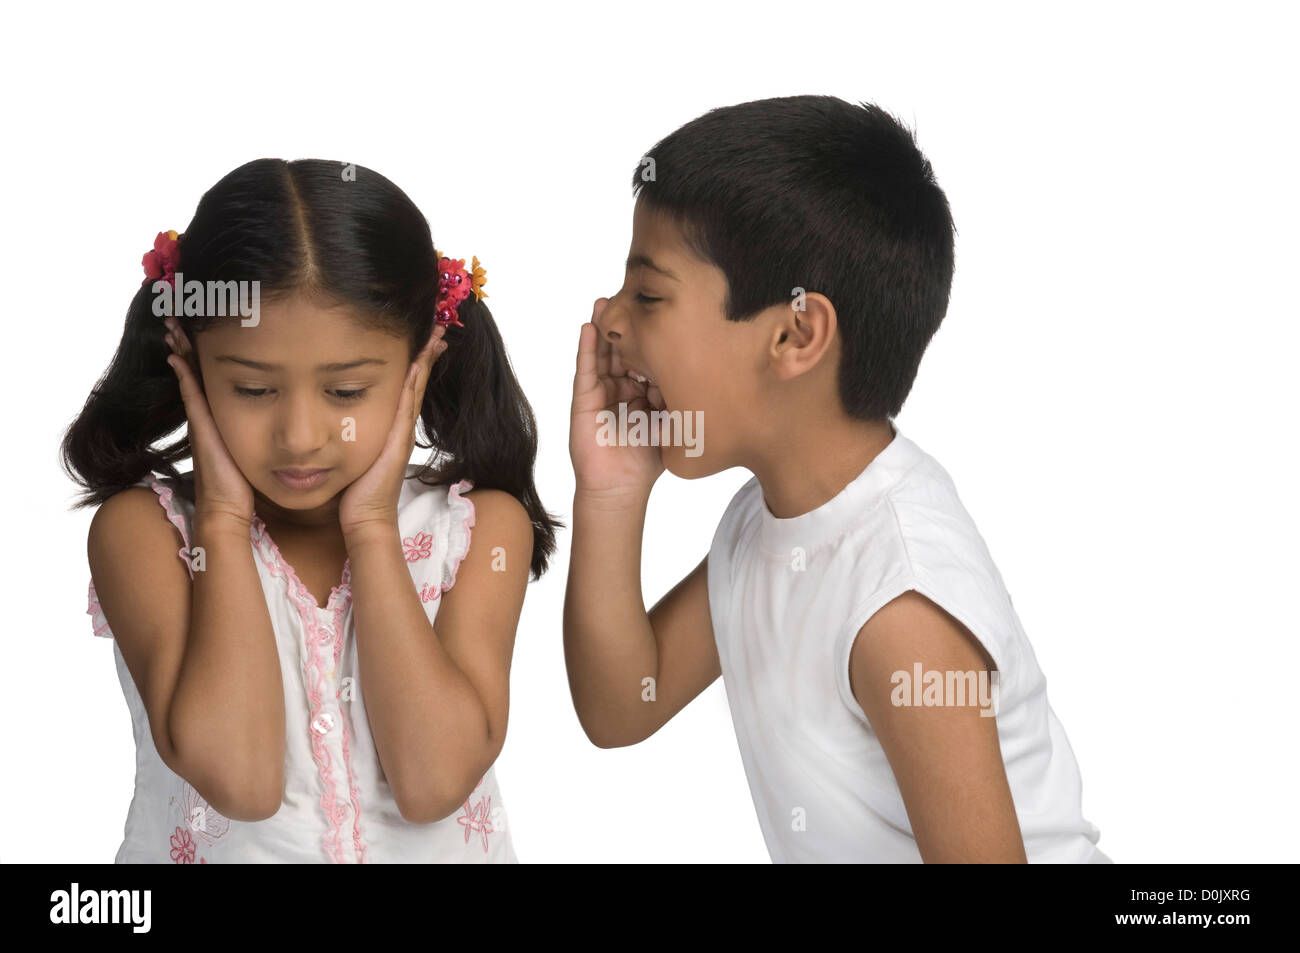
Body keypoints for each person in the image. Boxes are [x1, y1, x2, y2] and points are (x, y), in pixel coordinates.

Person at [565, 95, 1110, 863]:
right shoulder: (763, 524)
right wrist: (611, 495)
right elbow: (625, 704)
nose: (608, 317)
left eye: (648, 295)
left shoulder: (900, 606)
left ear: (794, 334)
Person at [64, 158, 560, 863]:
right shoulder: (145, 533)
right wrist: (224, 525)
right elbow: (241, 781)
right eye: (253, 389)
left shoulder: (477, 530)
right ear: (190, 357)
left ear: (424, 361)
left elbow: (433, 781)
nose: (300, 436)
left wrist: (373, 530)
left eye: (347, 392)